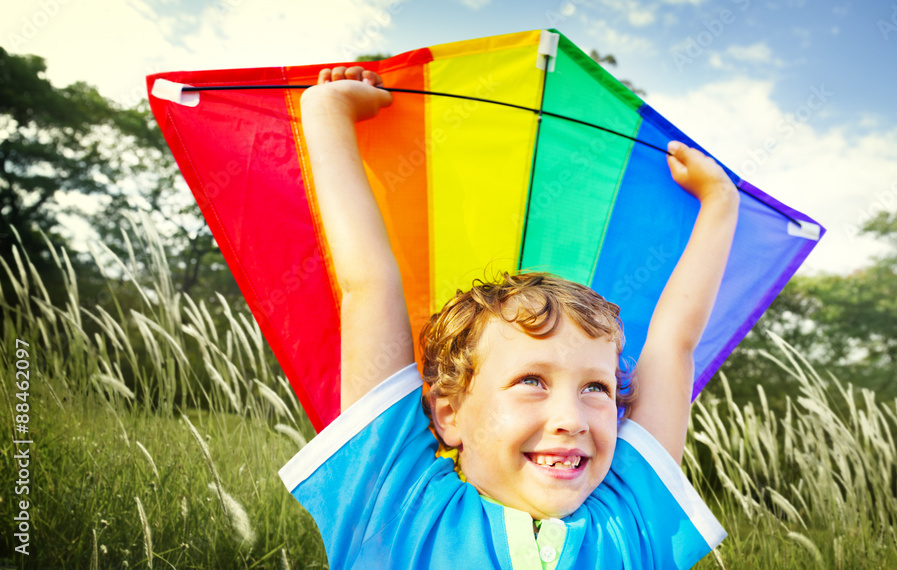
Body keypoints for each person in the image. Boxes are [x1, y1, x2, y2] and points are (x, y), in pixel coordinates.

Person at [278, 66, 736, 569]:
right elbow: (367, 286)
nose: (571, 420)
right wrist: (327, 114)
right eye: (532, 380)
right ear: (450, 414)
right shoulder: (396, 505)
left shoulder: (631, 524)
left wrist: (721, 202)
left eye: (596, 388)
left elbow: (673, 343)